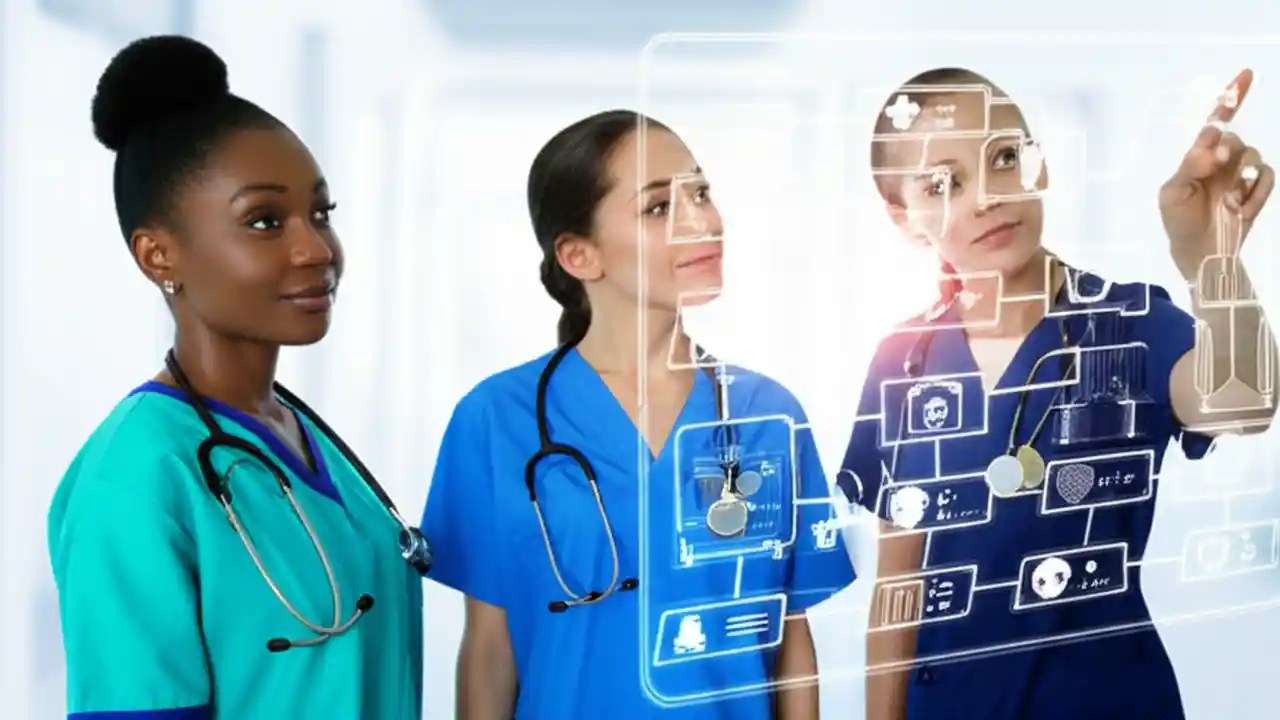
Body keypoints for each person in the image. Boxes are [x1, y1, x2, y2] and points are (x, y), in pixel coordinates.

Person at [842, 66, 1277, 719]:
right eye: (944, 184)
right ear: (904, 219)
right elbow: (899, 583)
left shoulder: (1130, 324)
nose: (987, 196)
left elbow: (1245, 401)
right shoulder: (903, 362)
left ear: (1039, 164)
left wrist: (1212, 259)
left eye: (1006, 157)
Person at [421, 109, 856, 719]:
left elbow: (792, 647)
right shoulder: (497, 419)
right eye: (659, 208)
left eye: (700, 193)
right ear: (579, 255)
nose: (703, 222)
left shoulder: (767, 418)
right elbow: (491, 652)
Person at [47, 36, 425, 720]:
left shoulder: (304, 435)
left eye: (320, 213)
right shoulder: (134, 478)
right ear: (159, 254)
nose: (315, 249)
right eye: (264, 221)